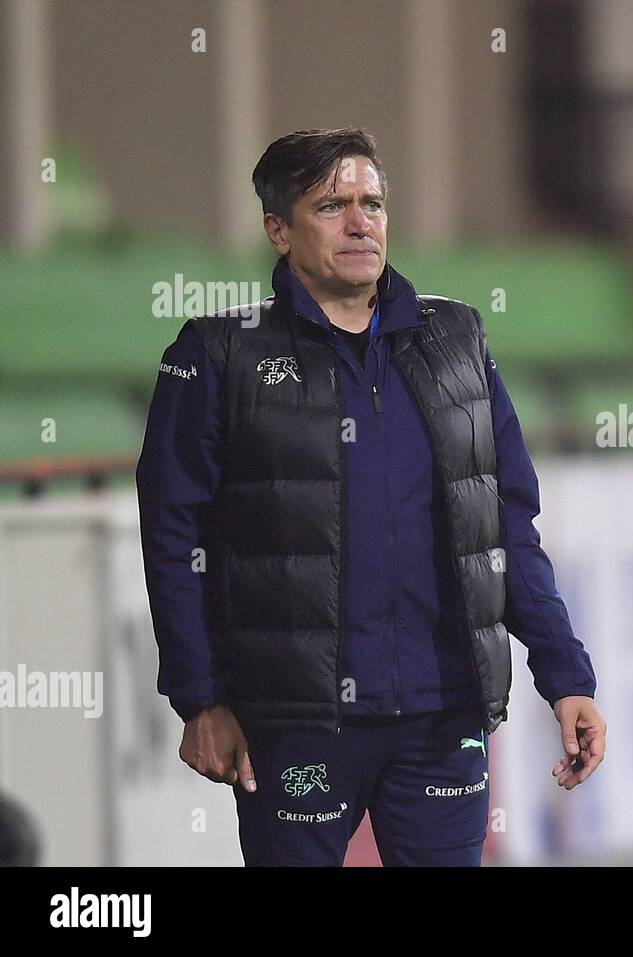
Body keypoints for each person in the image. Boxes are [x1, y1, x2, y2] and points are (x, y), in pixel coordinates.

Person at [136, 127, 606, 867]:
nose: (361, 222)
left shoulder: (458, 340)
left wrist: (566, 673)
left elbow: (507, 526)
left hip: (443, 712)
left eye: (372, 202)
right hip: (296, 723)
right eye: (331, 205)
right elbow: (172, 538)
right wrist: (199, 697)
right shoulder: (217, 355)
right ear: (278, 230)